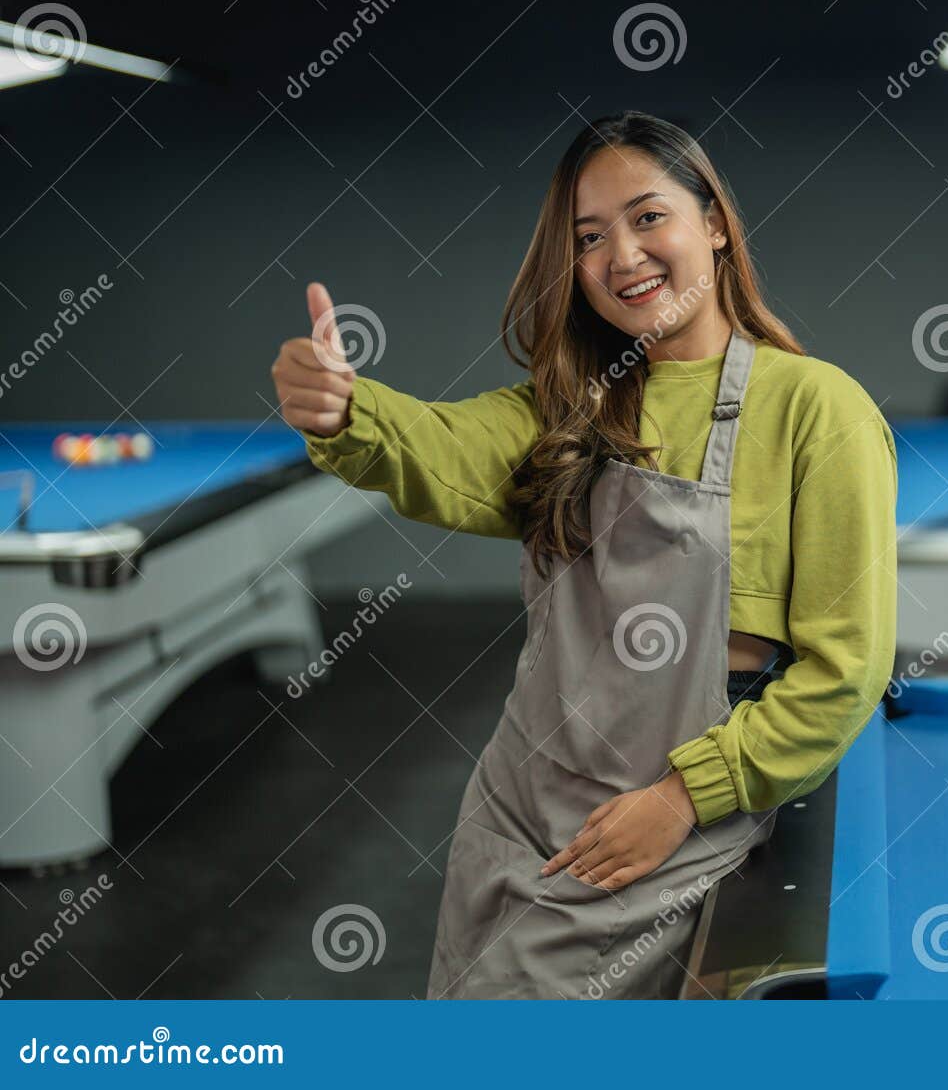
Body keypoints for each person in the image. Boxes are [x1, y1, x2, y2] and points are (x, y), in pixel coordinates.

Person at [269, 111, 897, 999]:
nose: (622, 256)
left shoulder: (818, 411)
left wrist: (678, 801)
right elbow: (436, 445)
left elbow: (845, 673)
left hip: (674, 837)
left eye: (648, 218)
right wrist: (344, 408)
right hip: (519, 814)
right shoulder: (563, 410)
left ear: (714, 223)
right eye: (590, 237)